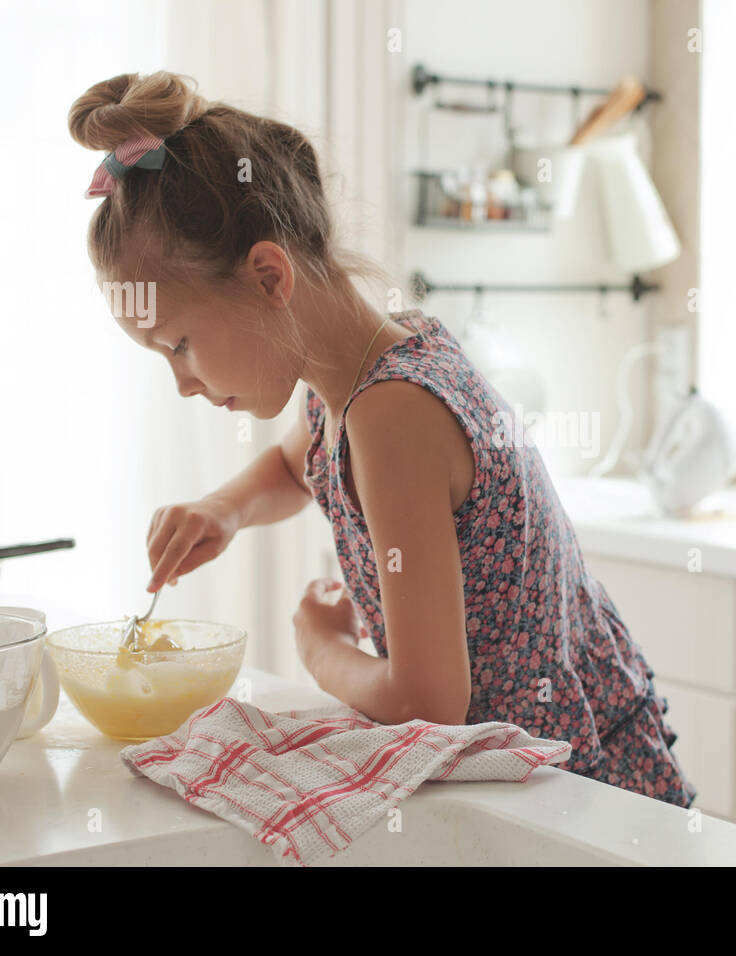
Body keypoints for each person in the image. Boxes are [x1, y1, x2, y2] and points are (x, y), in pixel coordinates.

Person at [69, 70, 696, 808]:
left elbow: (430, 702)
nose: (182, 381)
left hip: (569, 792)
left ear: (269, 276)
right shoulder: (362, 381)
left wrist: (319, 648)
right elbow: (297, 465)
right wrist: (224, 509)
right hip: (527, 781)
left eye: (178, 343)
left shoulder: (391, 412)